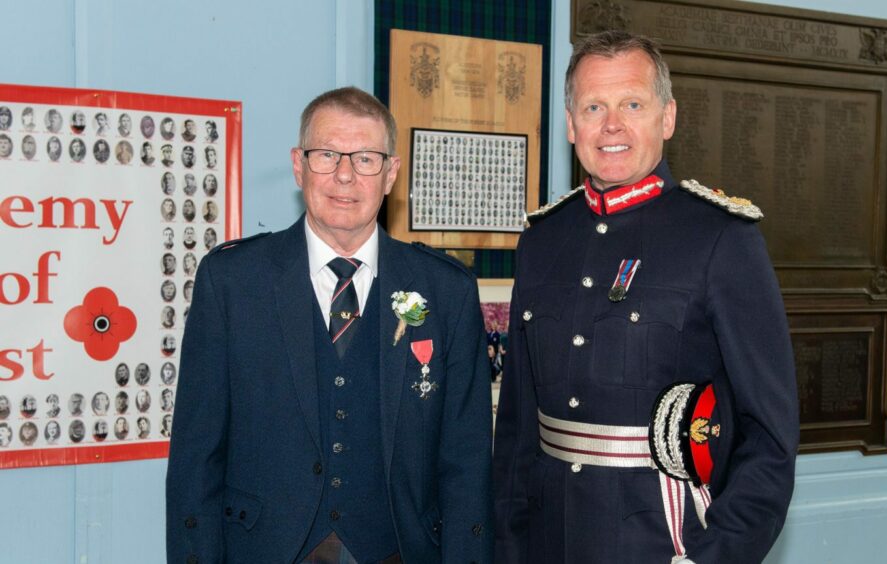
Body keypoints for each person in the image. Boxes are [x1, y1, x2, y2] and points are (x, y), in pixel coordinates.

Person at [492, 31, 799, 564]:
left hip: (663, 544)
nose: (612, 125)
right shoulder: (542, 239)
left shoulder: (721, 238)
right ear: (571, 124)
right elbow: (519, 428)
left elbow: (769, 439)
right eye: (594, 106)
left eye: (632, 104)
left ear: (668, 117)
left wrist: (715, 555)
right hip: (548, 542)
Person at [166, 86, 493, 564]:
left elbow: (466, 463)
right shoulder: (233, 282)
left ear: (390, 174)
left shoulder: (447, 292)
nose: (344, 175)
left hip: (400, 551)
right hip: (263, 550)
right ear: (299, 165)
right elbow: (196, 457)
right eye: (326, 155)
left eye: (365, 158)